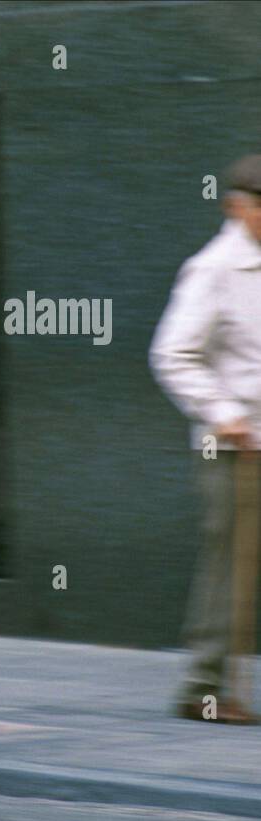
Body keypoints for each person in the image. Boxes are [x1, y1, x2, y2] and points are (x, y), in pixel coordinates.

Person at [150, 153, 261, 726]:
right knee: (229, 567)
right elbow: (172, 354)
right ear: (237, 206)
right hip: (235, 448)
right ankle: (206, 688)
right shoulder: (213, 269)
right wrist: (224, 414)